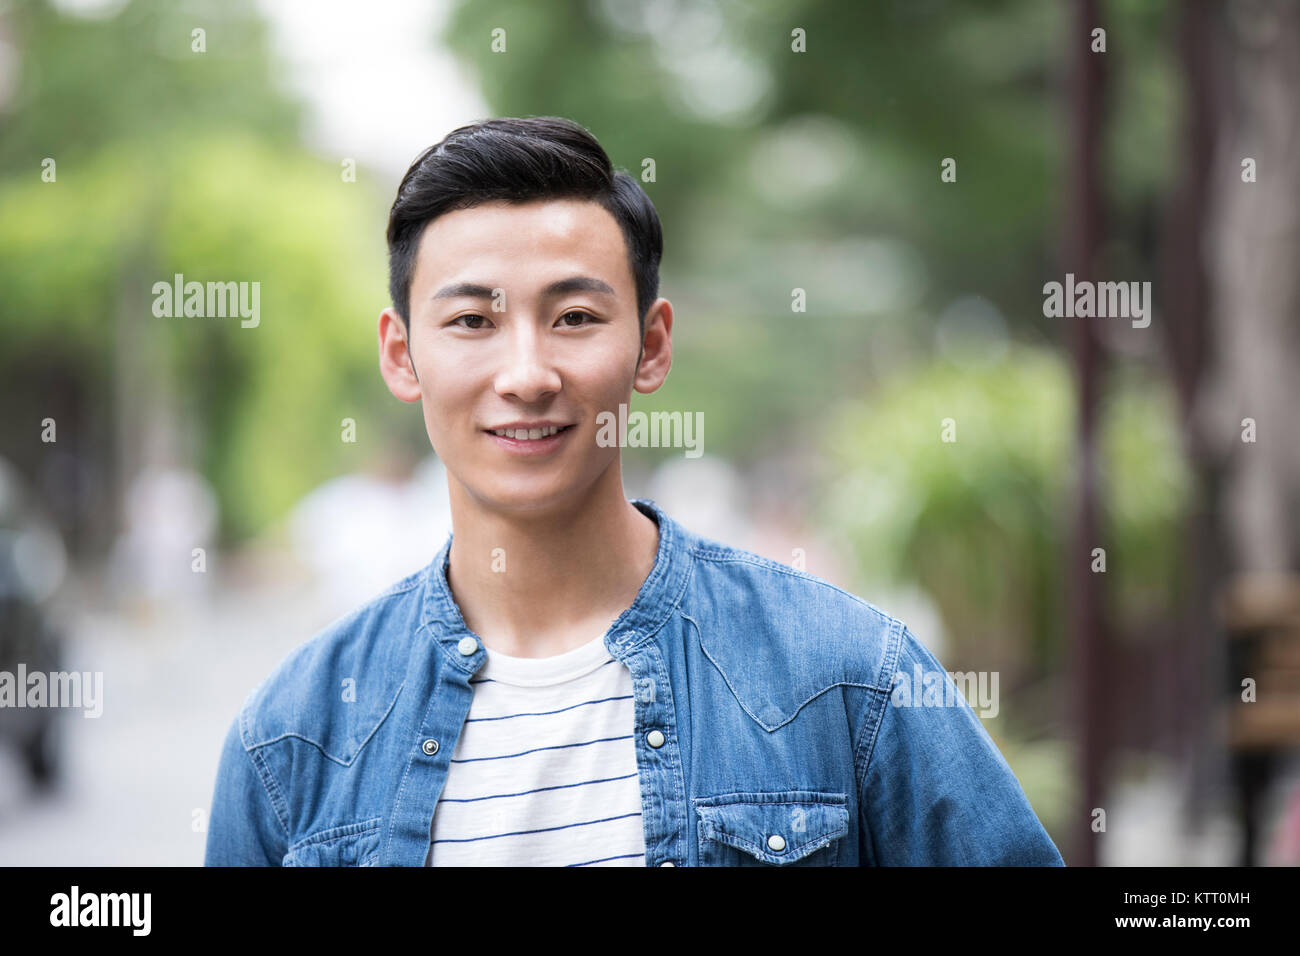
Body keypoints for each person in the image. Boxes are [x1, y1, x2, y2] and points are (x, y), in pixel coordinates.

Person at [204, 116, 1063, 867]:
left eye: (575, 317)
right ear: (401, 355)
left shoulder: (846, 680)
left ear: (652, 345)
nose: (528, 374)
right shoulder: (292, 739)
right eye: (472, 321)